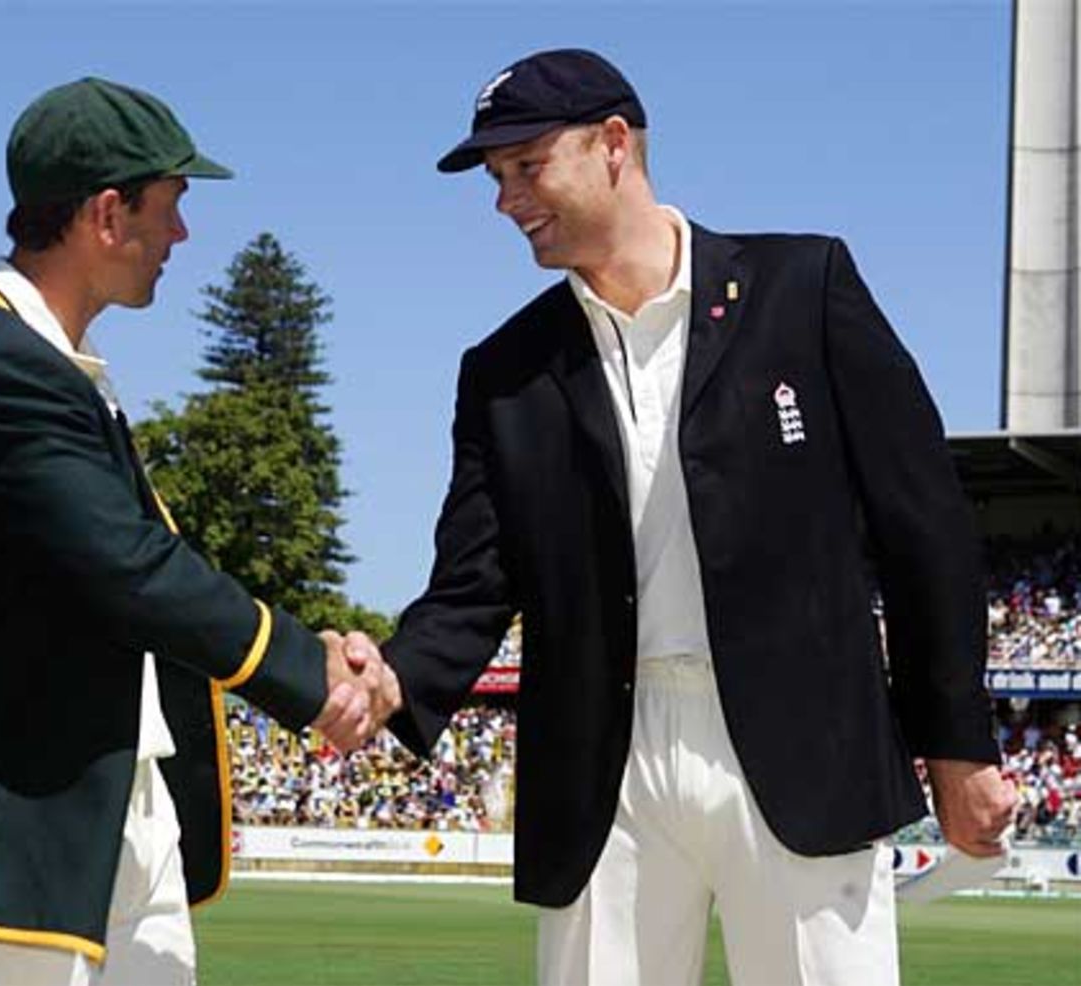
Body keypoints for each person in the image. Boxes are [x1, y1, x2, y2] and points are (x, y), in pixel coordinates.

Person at [370, 48, 1018, 986]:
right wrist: (387, 681)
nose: (506, 201)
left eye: (525, 167)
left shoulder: (807, 288)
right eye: (497, 179)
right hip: (603, 767)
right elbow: (473, 583)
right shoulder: (504, 370)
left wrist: (957, 743)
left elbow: (927, 529)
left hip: (805, 744)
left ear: (614, 145)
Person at [0, 77, 393, 986]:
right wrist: (309, 671)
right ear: (107, 214)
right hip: (12, 832)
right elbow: (133, 570)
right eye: (171, 205)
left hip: (106, 805)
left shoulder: (53, 369)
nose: (181, 236)